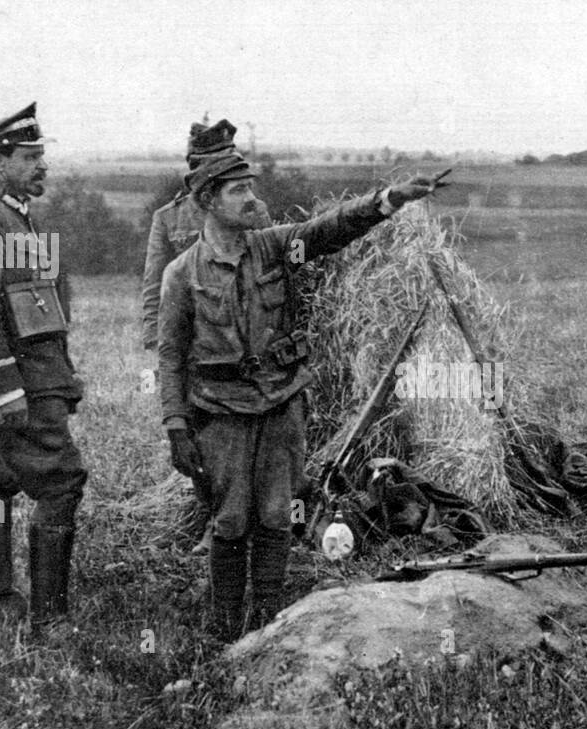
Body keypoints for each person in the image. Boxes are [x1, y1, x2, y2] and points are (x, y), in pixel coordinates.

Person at [158, 146, 446, 640]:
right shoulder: (182, 274)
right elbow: (169, 358)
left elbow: (327, 231)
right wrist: (176, 427)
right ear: (208, 200)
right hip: (221, 413)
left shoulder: (275, 248)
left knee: (276, 515)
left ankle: (270, 622)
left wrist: (387, 201)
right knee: (230, 519)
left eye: (251, 187)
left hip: (281, 403)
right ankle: (225, 626)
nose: (251, 198)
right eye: (238, 190)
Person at [0, 103, 87, 627]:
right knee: (60, 479)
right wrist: (5, 389)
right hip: (12, 380)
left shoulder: (13, 211)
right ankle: (49, 620)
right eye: (29, 156)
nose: (41, 165)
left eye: (40, 155)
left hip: (29, 374)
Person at [141, 120, 238, 556]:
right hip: (191, 343)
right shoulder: (169, 218)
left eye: (229, 159)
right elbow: (154, 283)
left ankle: (233, 520)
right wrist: (158, 343)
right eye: (212, 161)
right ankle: (212, 518)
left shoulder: (247, 207)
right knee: (195, 435)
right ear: (193, 166)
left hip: (237, 339)